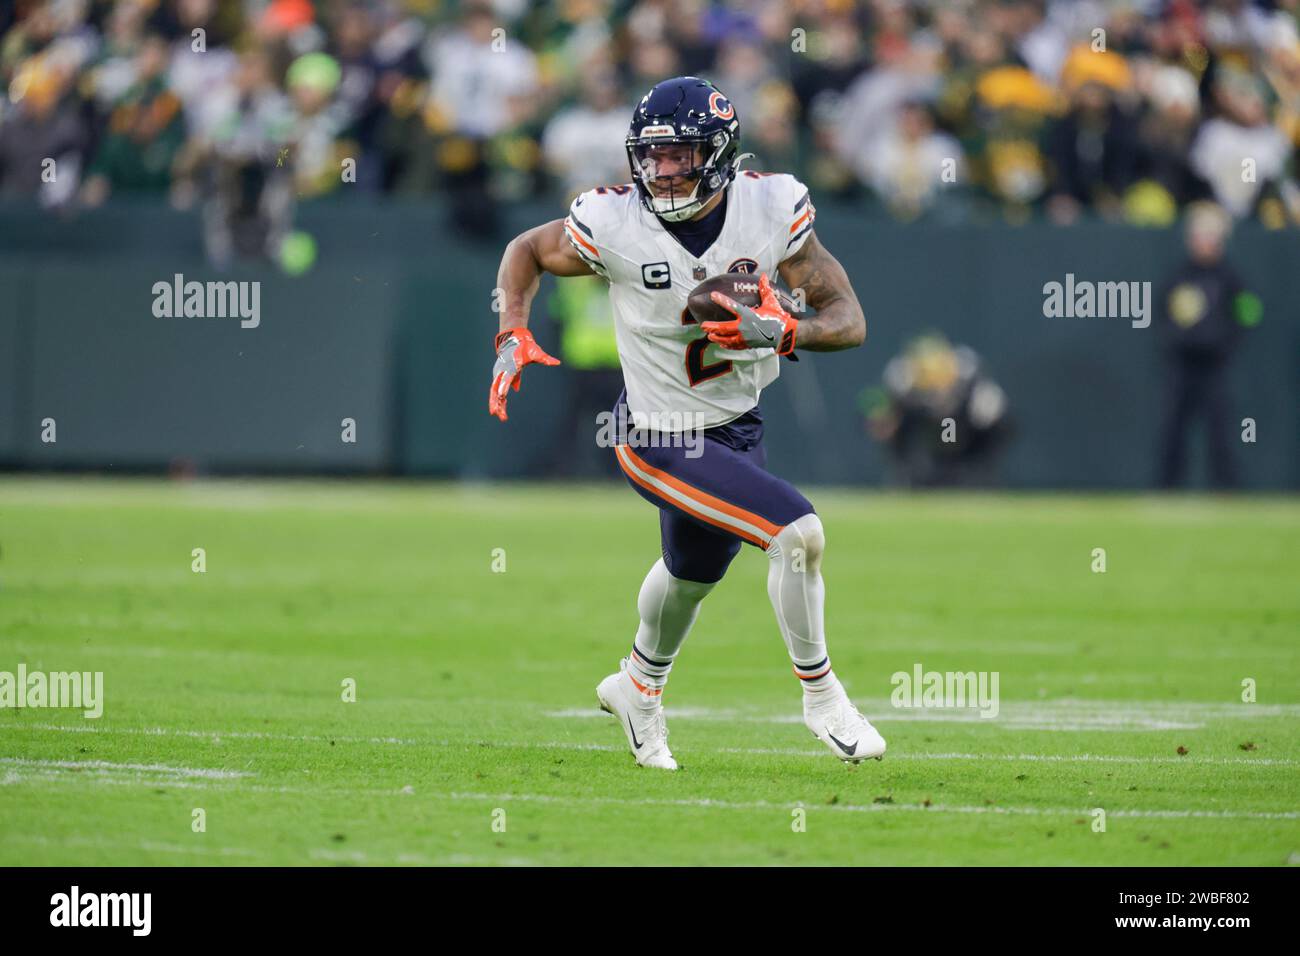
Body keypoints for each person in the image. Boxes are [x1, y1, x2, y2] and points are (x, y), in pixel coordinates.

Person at [486, 76, 883, 770]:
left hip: (738, 426)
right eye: (653, 155)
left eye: (681, 155)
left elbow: (848, 320)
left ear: (721, 154)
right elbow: (526, 249)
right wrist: (512, 332)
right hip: (654, 432)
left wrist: (787, 331)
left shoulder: (771, 207)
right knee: (798, 535)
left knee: (692, 572)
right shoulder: (612, 220)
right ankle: (823, 698)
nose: (664, 171)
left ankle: (637, 688)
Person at [1156, 201, 1262, 489]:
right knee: (1173, 426)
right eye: (1199, 236)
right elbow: (1162, 312)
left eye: (1210, 236)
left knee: (1220, 428)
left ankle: (1226, 488)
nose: (1204, 243)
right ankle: (1166, 487)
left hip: (1215, 365)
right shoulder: (1178, 276)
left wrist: (1228, 340)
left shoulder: (1230, 278)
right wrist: (1172, 338)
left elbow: (1250, 312)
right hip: (1182, 364)